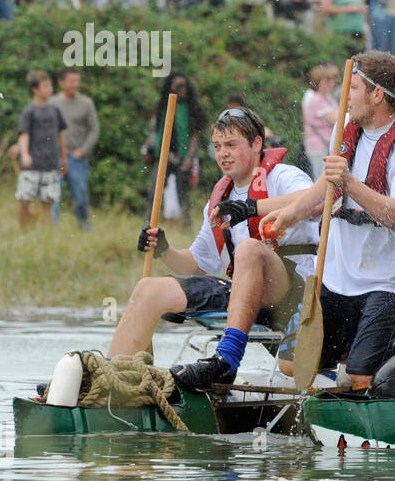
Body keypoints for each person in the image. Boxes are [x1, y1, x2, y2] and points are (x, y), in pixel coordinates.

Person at [258, 54, 395, 389]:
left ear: (377, 95)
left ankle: (366, 375)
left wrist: (350, 182)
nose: (344, 95)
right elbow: (328, 183)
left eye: (354, 87)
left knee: (362, 376)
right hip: (336, 276)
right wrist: (289, 214)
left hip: (388, 281)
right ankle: (344, 377)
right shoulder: (346, 127)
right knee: (292, 363)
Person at [120, 107, 319, 387]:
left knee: (249, 249)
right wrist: (164, 249)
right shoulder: (219, 198)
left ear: (257, 144)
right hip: (245, 294)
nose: (222, 153)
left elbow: (318, 199)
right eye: (217, 146)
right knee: (148, 290)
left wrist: (252, 207)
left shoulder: (283, 176)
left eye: (231, 145)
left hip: (293, 293)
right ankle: (114, 377)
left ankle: (225, 361)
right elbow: (197, 266)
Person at [144, 74, 204, 230]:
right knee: (154, 191)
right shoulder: (163, 105)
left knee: (183, 194)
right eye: (178, 86)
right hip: (162, 155)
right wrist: (147, 148)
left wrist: (189, 158)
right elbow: (155, 129)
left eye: (184, 85)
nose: (182, 89)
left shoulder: (190, 107)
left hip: (182, 157)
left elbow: (194, 135)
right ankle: (148, 225)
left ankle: (186, 226)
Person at [16, 70, 68, 232]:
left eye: (50, 85)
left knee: (48, 202)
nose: (49, 88)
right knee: (25, 200)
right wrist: (24, 154)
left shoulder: (55, 110)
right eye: (45, 86)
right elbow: (24, 134)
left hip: (51, 164)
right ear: (35, 89)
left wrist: (63, 158)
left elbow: (60, 135)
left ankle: (47, 235)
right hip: (32, 165)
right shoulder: (29, 111)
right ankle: (22, 233)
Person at [49, 67, 100, 230]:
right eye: (71, 81)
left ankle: (84, 228)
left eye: (77, 81)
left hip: (77, 158)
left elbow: (94, 130)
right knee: (53, 196)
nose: (75, 85)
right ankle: (51, 230)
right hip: (55, 157)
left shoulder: (86, 103)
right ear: (61, 83)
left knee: (80, 197)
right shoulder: (52, 103)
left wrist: (83, 151)